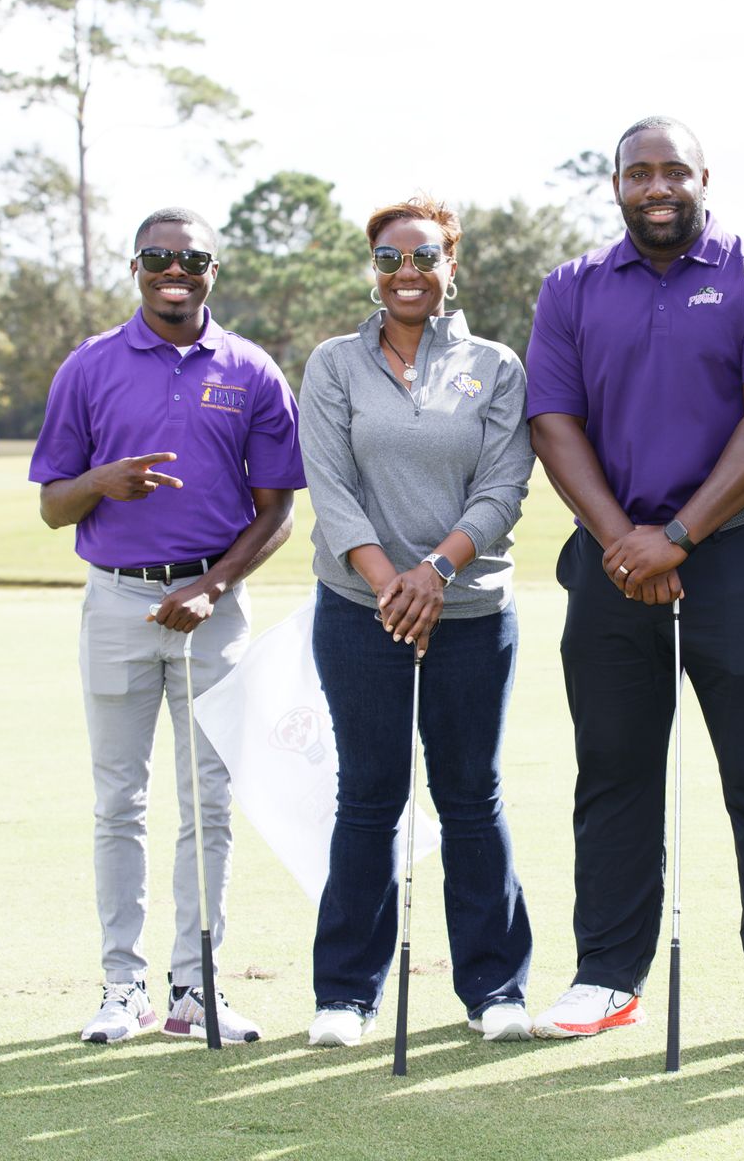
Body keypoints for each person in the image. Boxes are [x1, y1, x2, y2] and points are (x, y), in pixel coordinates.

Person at [524, 116, 744, 1054]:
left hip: (731, 554)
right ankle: (606, 976)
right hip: (612, 558)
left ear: (704, 178)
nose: (656, 187)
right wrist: (626, 543)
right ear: (616, 184)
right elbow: (552, 421)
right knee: (614, 774)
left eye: (673, 172)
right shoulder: (572, 287)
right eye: (638, 173)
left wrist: (679, 537)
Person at [29, 206, 305, 1045]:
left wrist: (213, 588)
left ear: (213, 270)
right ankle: (124, 986)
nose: (173, 271)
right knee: (120, 803)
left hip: (212, 612)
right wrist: (100, 483)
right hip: (118, 602)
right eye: (157, 258)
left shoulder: (251, 370)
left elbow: (278, 510)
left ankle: (196, 987)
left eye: (190, 259)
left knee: (208, 804)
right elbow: (52, 505)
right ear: (137, 268)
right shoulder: (89, 366)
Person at [297, 196, 537, 1048]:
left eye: (425, 257)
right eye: (391, 259)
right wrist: (392, 586)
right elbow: (329, 486)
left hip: (470, 611)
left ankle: (494, 988)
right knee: (368, 798)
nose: (408, 273)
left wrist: (435, 573)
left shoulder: (495, 365)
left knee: (471, 797)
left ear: (451, 266)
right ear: (373, 269)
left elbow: (504, 485)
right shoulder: (334, 364)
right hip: (359, 611)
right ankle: (345, 995)